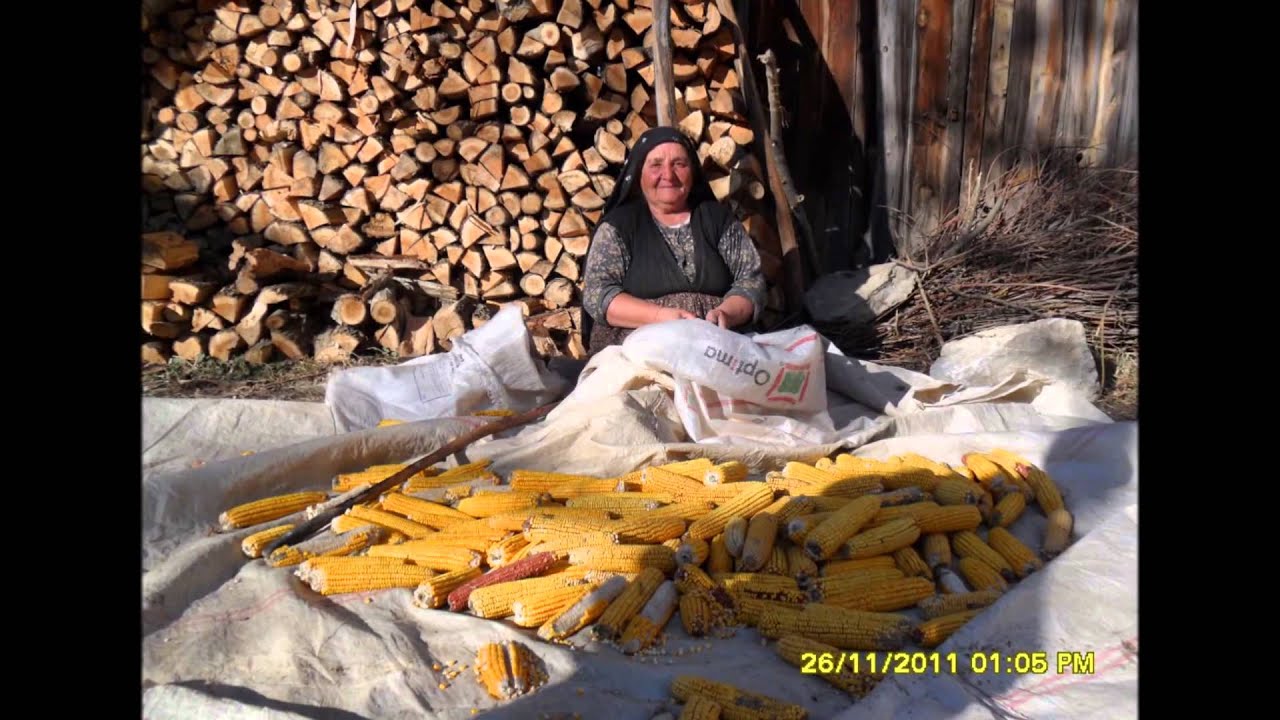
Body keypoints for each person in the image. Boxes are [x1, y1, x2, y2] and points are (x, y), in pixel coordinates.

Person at [580, 126, 766, 353]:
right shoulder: (619, 227)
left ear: (692, 172)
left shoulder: (717, 220)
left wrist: (725, 313)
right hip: (636, 349)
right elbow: (597, 293)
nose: (668, 175)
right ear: (639, 172)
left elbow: (750, 281)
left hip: (715, 346)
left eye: (679, 164)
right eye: (656, 165)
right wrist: (660, 317)